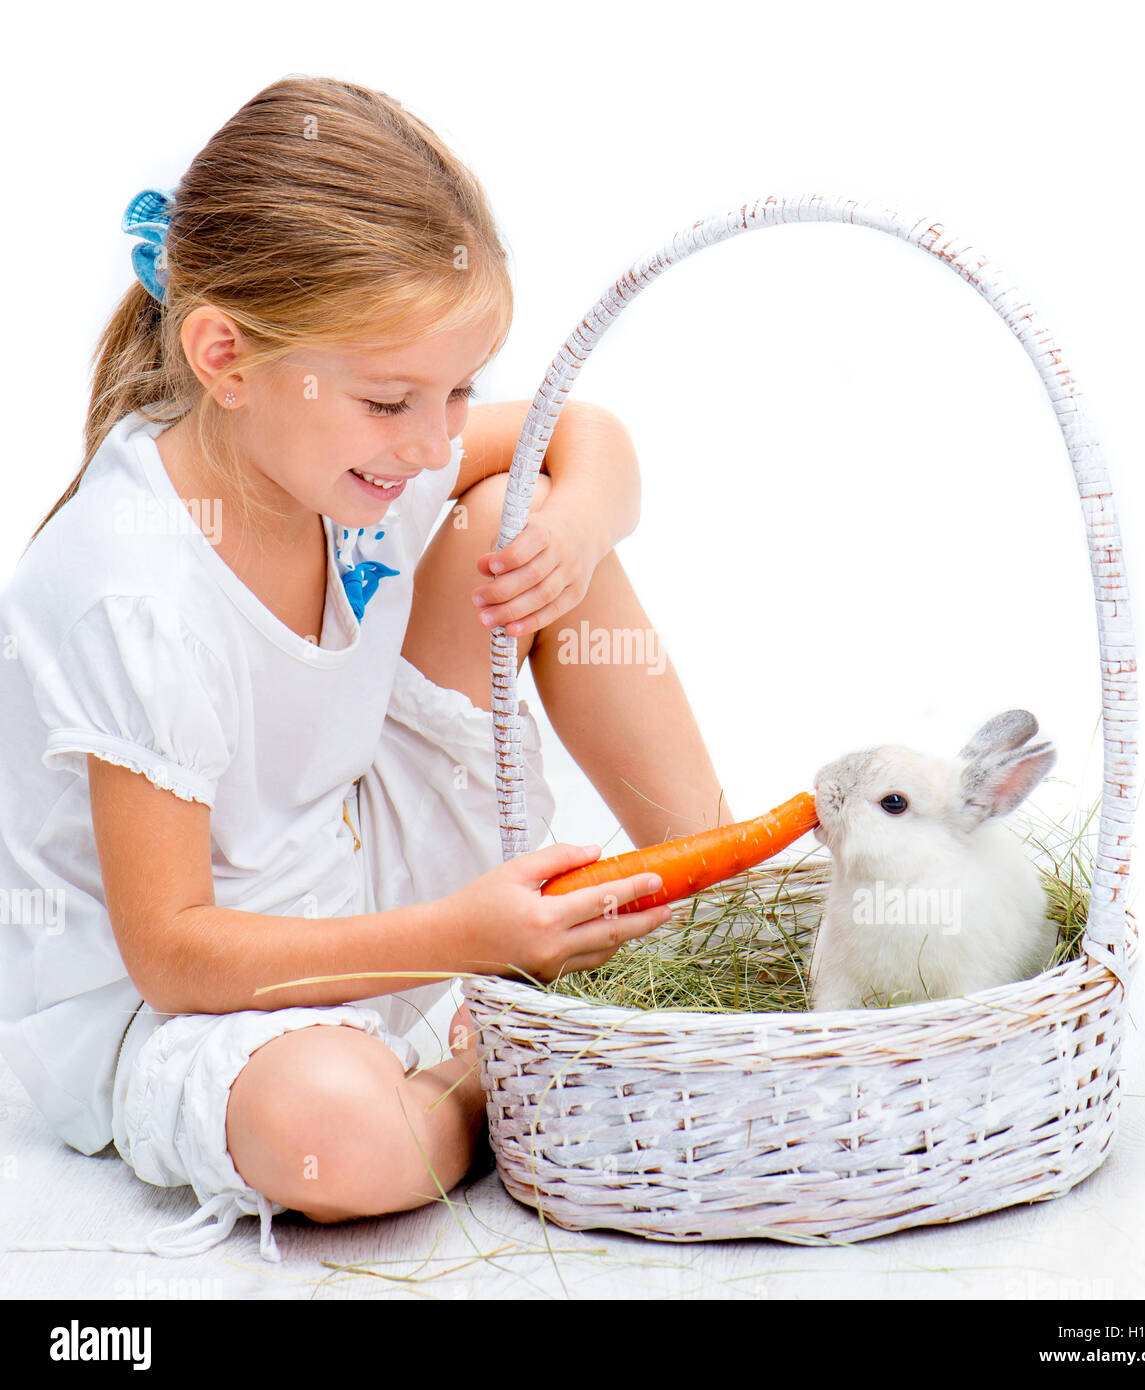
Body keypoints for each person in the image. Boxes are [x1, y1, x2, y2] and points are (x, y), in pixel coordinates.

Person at [0, 76, 731, 1261]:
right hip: (195, 998)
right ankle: (494, 1068)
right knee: (340, 1135)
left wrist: (580, 524)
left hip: (353, 855)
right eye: (395, 399)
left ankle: (719, 898)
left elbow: (583, 437)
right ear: (225, 357)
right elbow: (174, 950)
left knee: (522, 522)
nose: (437, 440)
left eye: (459, 392)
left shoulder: (350, 452)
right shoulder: (129, 592)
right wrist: (466, 938)